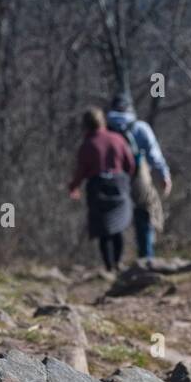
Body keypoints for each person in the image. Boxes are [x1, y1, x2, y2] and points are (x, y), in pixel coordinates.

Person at [68, 106, 136, 272]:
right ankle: (118, 263)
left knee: (103, 228)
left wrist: (74, 186)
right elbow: (130, 164)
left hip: (97, 186)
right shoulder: (117, 139)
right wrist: (125, 180)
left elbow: (81, 171)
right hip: (119, 185)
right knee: (118, 226)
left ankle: (108, 267)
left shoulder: (87, 145)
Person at [106, 92, 171, 261]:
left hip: (112, 178)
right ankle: (146, 257)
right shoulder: (140, 127)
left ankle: (113, 262)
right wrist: (164, 175)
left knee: (114, 218)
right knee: (145, 213)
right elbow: (154, 155)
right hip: (138, 178)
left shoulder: (104, 128)